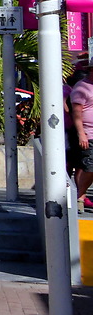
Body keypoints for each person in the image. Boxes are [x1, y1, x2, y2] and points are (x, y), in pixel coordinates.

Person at [68, 66, 93, 212]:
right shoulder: (82, 87)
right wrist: (81, 133)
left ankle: (81, 196)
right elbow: (76, 112)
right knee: (89, 167)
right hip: (89, 133)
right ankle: (80, 196)